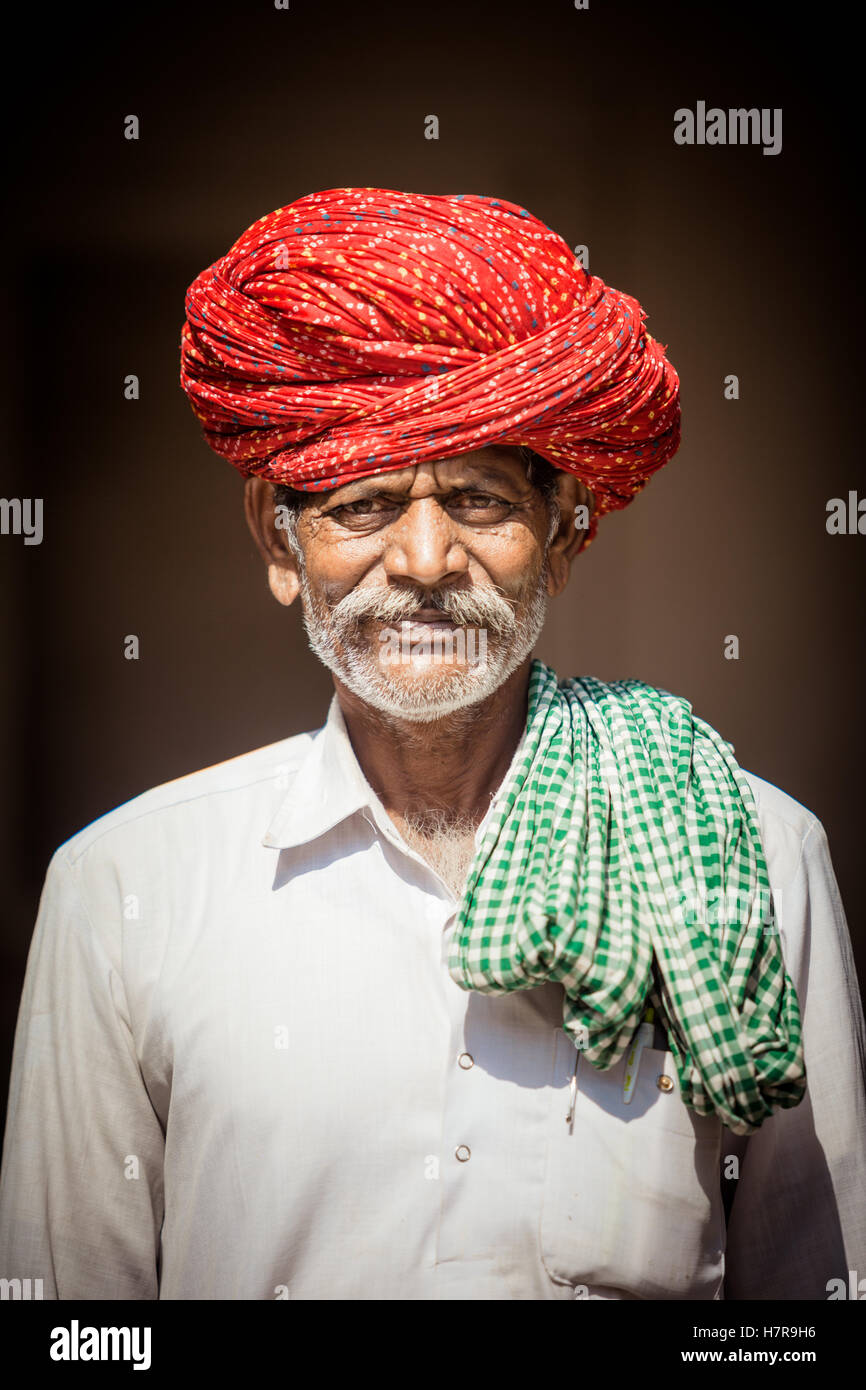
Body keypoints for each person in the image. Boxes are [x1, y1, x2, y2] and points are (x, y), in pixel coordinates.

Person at [1, 188, 863, 1301]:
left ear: (558, 541)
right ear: (280, 540)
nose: (421, 558)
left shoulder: (747, 852)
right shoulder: (121, 891)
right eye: (361, 504)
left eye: (475, 498)